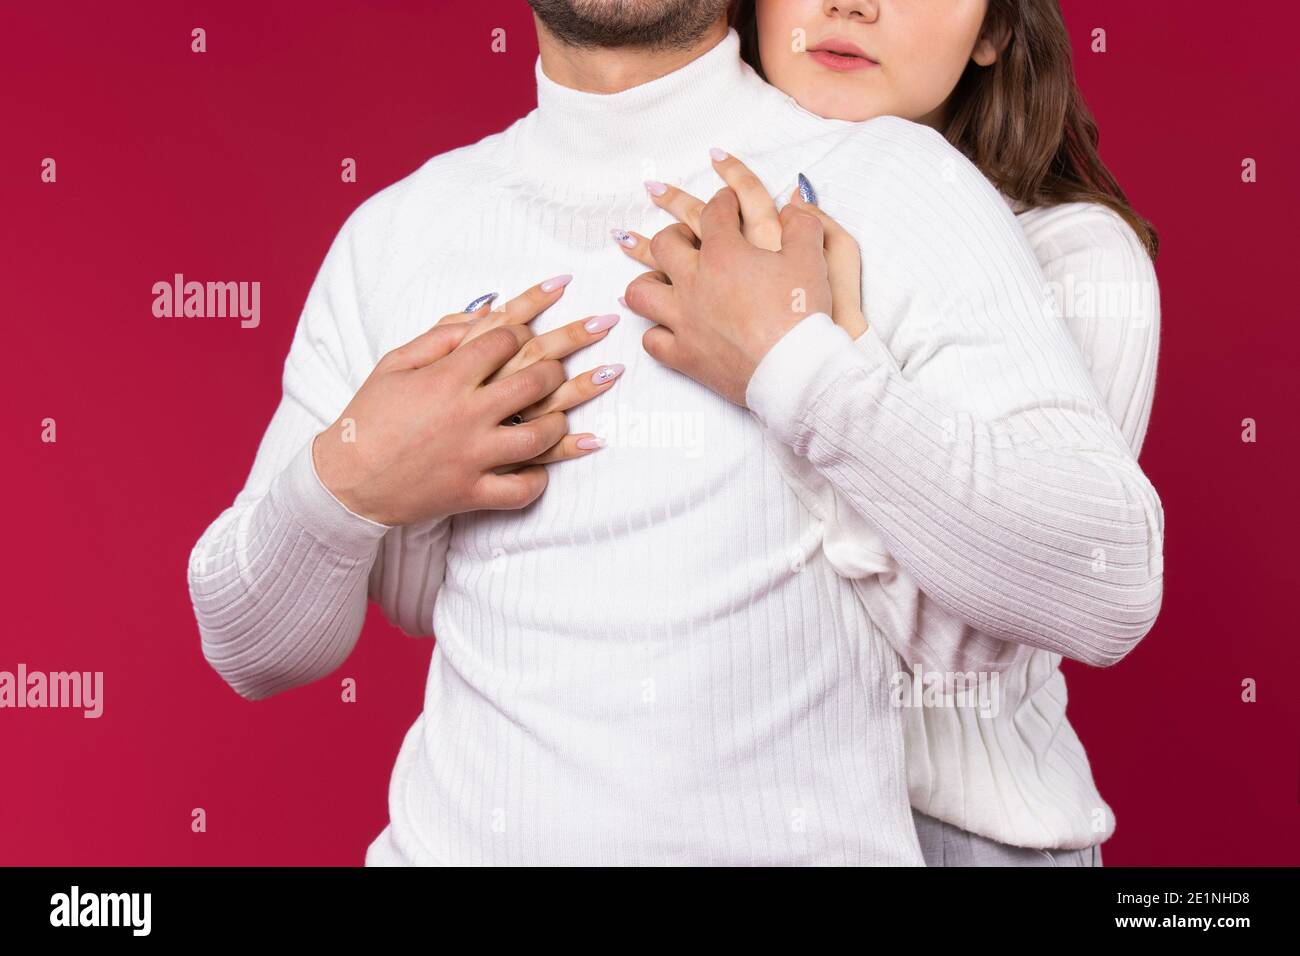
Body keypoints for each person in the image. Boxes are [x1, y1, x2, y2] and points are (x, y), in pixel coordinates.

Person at [187, 0, 1163, 865]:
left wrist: (795, 364)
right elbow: (251, 649)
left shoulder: (904, 182)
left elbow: (1102, 584)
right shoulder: (394, 232)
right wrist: (350, 478)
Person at [612, 0, 1162, 865]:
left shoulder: (1075, 261)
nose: (852, 5)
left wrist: (804, 360)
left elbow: (976, 640)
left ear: (992, 33)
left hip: (965, 837)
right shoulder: (697, 232)